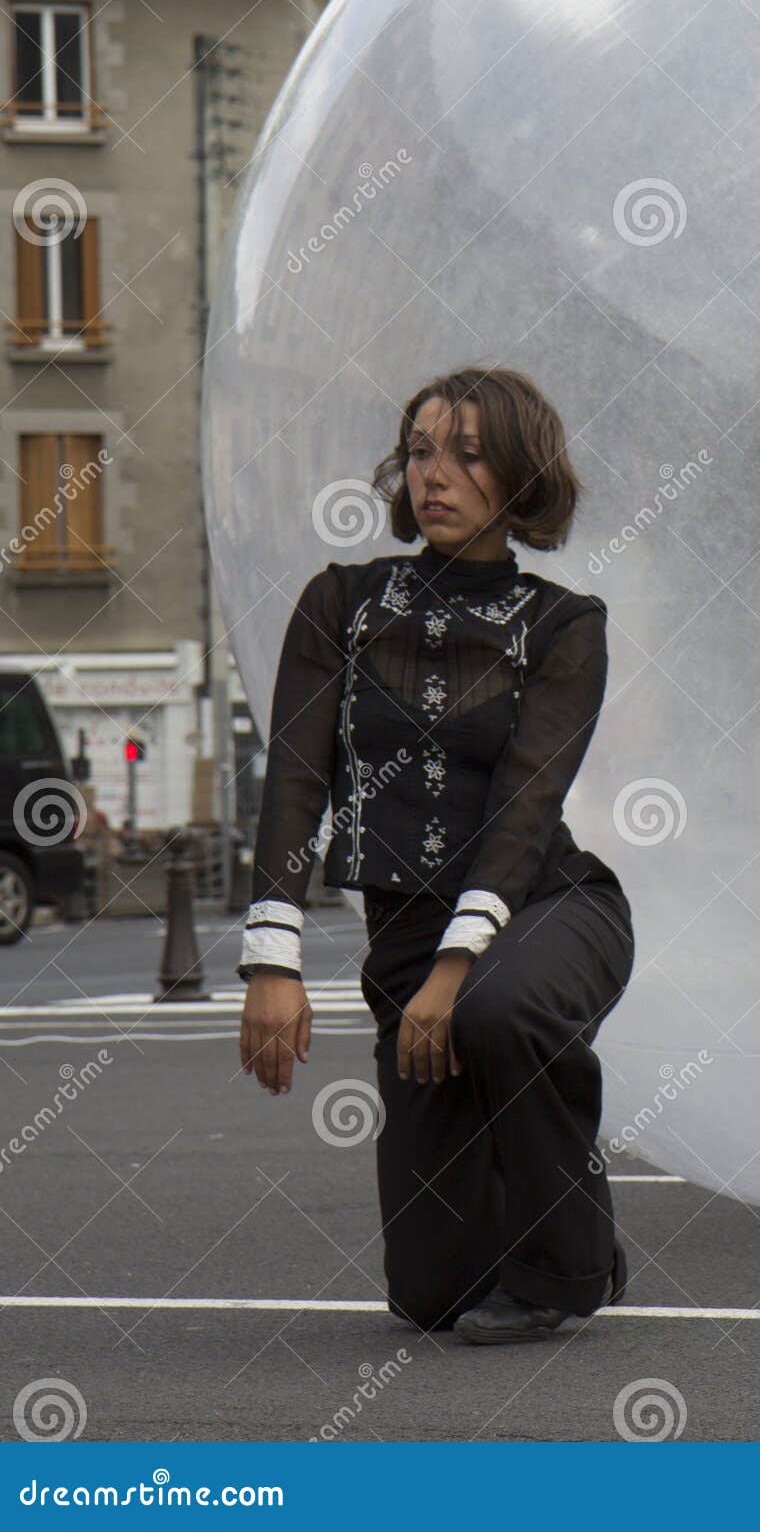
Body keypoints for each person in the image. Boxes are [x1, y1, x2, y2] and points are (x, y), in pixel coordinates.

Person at [235, 366, 635, 1343]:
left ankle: (572, 1262)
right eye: (420, 450)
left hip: (547, 910)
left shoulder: (564, 625)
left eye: (467, 452)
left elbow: (524, 807)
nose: (436, 475)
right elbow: (294, 781)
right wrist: (271, 963)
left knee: (500, 1009)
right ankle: (508, 1207)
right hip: (408, 941)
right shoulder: (340, 604)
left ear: (519, 475)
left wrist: (459, 970)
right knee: (429, 1294)